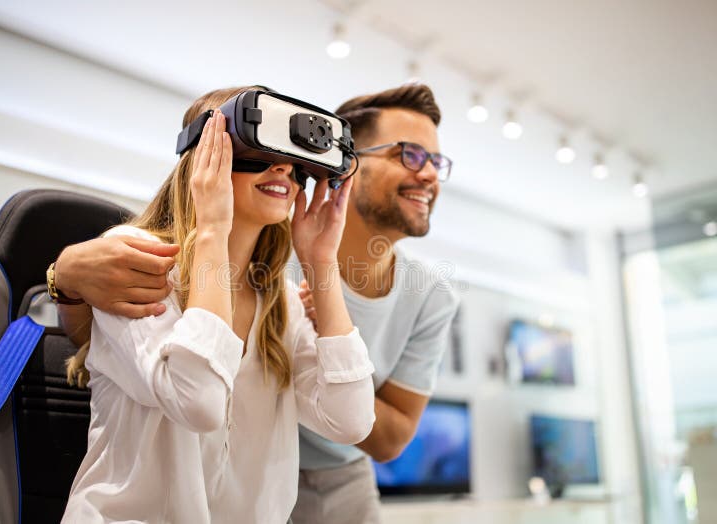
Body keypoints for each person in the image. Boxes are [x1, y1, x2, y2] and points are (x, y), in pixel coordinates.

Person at [54, 84, 458, 523]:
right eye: (260, 150)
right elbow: (200, 402)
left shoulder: (279, 299)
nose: (283, 167)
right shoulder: (137, 260)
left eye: (291, 159)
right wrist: (211, 229)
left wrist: (321, 264)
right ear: (204, 155)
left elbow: (352, 421)